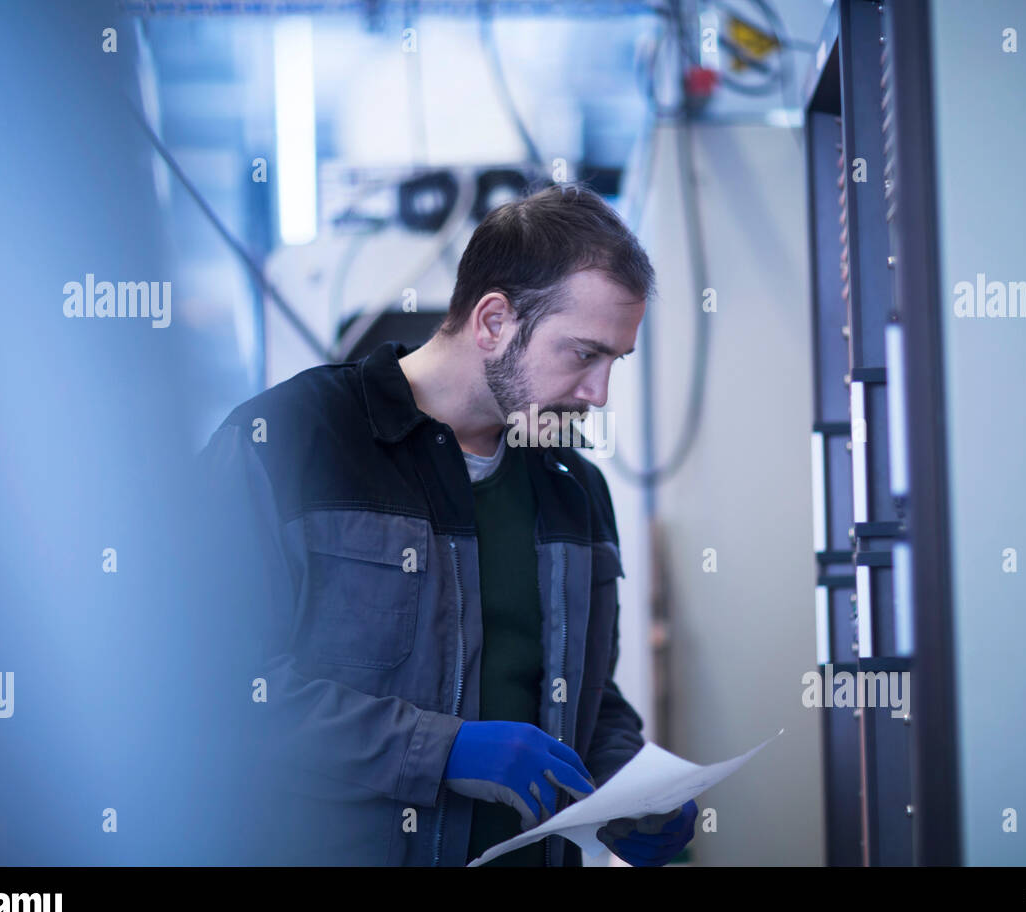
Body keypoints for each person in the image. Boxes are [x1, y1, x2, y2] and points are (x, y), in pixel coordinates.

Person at [199, 181, 697, 866]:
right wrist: (443, 750)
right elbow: (216, 690)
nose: (599, 394)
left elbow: (590, 701)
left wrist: (632, 784)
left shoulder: (574, 492)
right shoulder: (288, 442)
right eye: (584, 354)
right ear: (493, 321)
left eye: (615, 361)